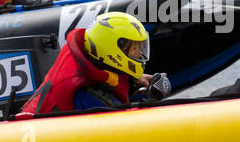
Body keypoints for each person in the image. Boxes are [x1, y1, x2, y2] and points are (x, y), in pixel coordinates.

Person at [17, 12, 171, 117]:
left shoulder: (82, 58)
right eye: (135, 49)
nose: (139, 55)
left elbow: (103, 76)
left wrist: (131, 79)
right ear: (113, 49)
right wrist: (149, 103)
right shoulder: (85, 93)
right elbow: (125, 129)